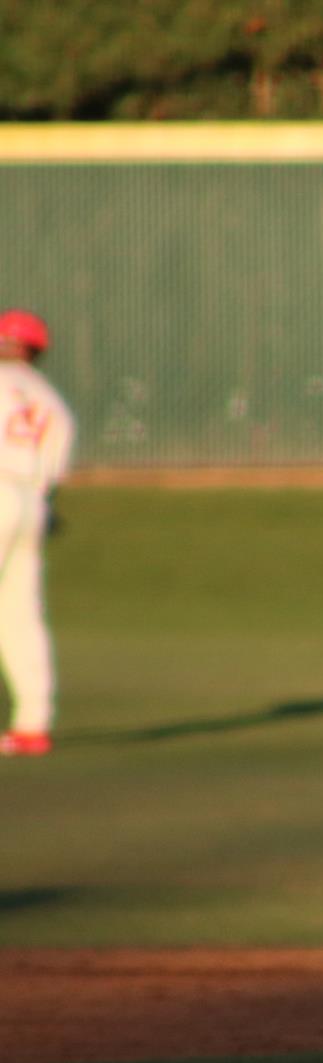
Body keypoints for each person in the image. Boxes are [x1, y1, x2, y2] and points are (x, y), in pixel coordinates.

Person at [0, 308, 75, 759]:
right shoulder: (51, 400)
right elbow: (54, 468)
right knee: (20, 610)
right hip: (32, 501)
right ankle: (32, 724)